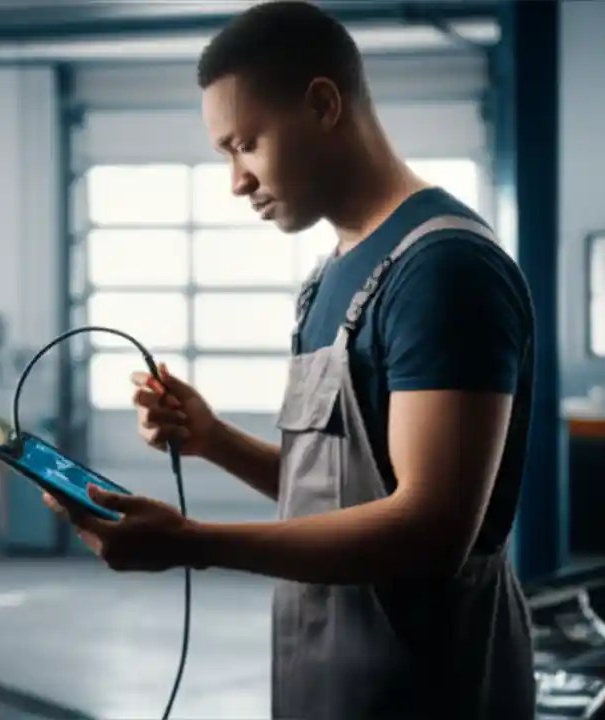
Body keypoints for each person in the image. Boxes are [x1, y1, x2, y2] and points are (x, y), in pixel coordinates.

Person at [43, 1, 536, 718]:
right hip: (327, 682)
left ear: (324, 105)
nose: (236, 180)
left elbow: (429, 533)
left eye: (246, 144)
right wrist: (213, 440)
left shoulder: (444, 271)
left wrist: (193, 543)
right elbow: (338, 499)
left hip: (429, 691)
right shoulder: (330, 278)